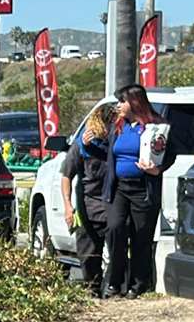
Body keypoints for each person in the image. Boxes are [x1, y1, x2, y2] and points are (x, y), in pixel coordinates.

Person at [101, 84, 174, 298]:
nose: (119, 106)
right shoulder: (119, 126)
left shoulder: (155, 126)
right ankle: (114, 282)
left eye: (122, 101)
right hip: (119, 188)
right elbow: (107, 152)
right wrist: (88, 147)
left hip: (143, 188)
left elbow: (171, 152)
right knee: (115, 229)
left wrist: (157, 169)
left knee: (140, 237)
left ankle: (138, 284)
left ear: (134, 102)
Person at [60, 103, 117, 294]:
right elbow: (67, 176)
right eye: (108, 123)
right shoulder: (81, 145)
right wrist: (68, 206)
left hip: (114, 206)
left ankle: (112, 288)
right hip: (88, 206)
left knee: (117, 252)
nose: (109, 128)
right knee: (89, 254)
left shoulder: (118, 143)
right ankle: (92, 289)